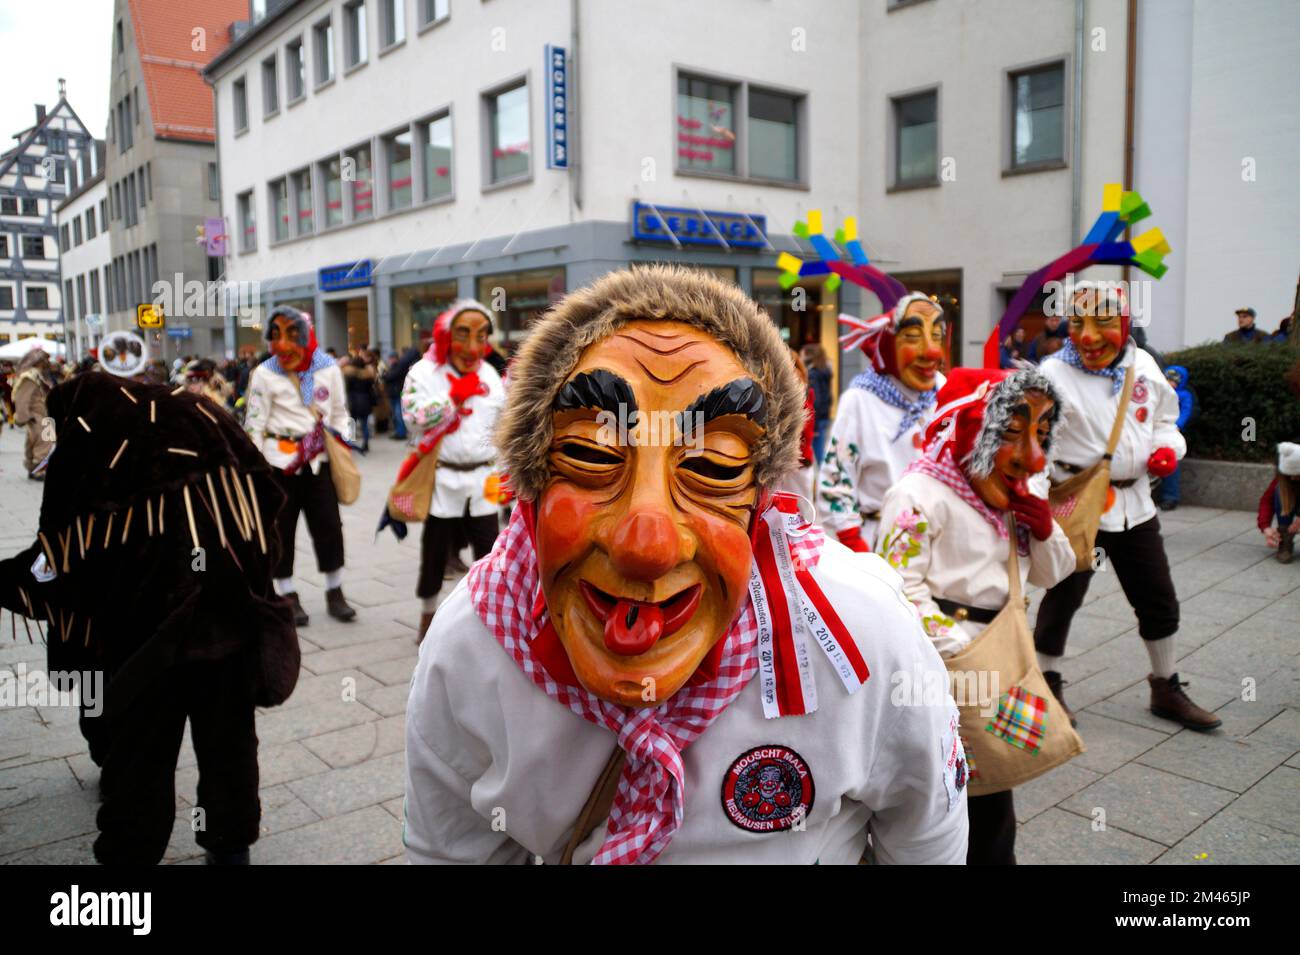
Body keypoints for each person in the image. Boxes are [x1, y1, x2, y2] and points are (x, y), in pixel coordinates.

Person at [404, 265, 968, 864]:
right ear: (534, 486)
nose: (646, 544)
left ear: (759, 500)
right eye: (592, 455)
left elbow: (926, 841)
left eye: (715, 467)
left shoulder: (865, 636)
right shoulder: (470, 649)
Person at [0, 368, 300, 864]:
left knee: (141, 753)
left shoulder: (89, 436)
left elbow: (58, 553)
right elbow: (268, 494)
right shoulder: (206, 414)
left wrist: (13, 583)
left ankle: (128, 860)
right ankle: (230, 847)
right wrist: (252, 578)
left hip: (147, 631)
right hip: (227, 615)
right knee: (228, 744)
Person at [878, 367, 1077, 864]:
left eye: (1040, 435)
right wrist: (962, 655)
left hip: (1004, 657)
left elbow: (1051, 576)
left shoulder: (1013, 496)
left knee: (994, 785)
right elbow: (900, 589)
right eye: (1010, 434)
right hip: (943, 666)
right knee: (941, 786)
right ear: (972, 430)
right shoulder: (918, 494)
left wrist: (1046, 528)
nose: (1031, 455)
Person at [1035, 282, 1220, 730]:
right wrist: (1036, 503)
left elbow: (1165, 422)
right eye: (1078, 323)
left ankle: (1165, 684)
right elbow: (1034, 443)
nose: (1089, 337)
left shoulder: (1145, 366)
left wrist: (1167, 449)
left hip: (1134, 504)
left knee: (1157, 597)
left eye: (1103, 324)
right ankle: (1046, 682)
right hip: (1077, 502)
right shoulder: (1052, 375)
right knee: (1063, 596)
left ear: (1124, 324)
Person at [399, 300, 507, 640]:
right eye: (463, 335)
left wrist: (507, 475)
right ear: (446, 336)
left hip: (483, 480)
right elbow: (412, 419)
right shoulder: (423, 373)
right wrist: (452, 401)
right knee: (435, 553)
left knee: (490, 553)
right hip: (442, 479)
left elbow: (503, 425)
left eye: (481, 336)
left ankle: (490, 618)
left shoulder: (490, 374)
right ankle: (427, 615)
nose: (473, 347)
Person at [244, 305, 357, 626]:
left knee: (329, 527)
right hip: (279, 464)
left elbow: (338, 412)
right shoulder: (265, 373)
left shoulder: (328, 368)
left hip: (318, 462)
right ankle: (287, 593)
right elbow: (254, 423)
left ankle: (335, 591)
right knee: (281, 531)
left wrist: (341, 443)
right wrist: (254, 470)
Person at [820, 292, 948, 551]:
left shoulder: (945, 393)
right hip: (879, 542)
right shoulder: (860, 400)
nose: (931, 351)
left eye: (936, 336)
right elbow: (836, 478)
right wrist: (852, 542)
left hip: (938, 544)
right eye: (912, 337)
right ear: (889, 345)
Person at [12, 348, 56, 479]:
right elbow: (22, 398)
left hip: (42, 415)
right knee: (43, 441)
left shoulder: (39, 375)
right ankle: (38, 470)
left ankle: (33, 468)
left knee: (35, 442)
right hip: (35, 416)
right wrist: (24, 416)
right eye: (45, 359)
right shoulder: (30, 377)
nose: (47, 362)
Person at [1155, 365, 1195, 511]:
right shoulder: (1159, 393)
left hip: (1171, 433)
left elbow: (1186, 411)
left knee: (1171, 463)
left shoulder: (1183, 395)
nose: (1169, 382)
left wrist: (1177, 425)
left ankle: (1170, 497)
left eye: (1173, 380)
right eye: (1167, 379)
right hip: (1155, 431)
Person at [1257, 442, 1300, 564]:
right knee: (1280, 490)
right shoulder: (1284, 479)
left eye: (1295, 474)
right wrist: (1265, 527)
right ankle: (1285, 539)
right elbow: (1266, 501)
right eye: (1288, 475)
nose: (1292, 478)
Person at [800, 343, 833, 463]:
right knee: (819, 452)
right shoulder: (824, 372)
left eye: (802, 354)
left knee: (818, 454)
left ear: (809, 355)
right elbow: (828, 397)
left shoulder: (813, 374)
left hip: (817, 419)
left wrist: (814, 423)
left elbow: (816, 400)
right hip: (824, 417)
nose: (800, 357)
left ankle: (825, 479)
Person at [342, 349, 378, 452]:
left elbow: (347, 389)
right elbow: (371, 389)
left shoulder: (349, 376)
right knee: (364, 424)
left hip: (353, 401)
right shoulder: (368, 376)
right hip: (365, 402)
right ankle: (366, 443)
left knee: (352, 423)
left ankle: (349, 443)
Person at [384, 346, 420, 441]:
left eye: (392, 358)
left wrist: (386, 376)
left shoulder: (399, 366)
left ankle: (401, 432)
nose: (391, 360)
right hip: (394, 393)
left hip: (397, 393)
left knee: (398, 413)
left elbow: (391, 376)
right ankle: (399, 431)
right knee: (396, 414)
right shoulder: (398, 366)